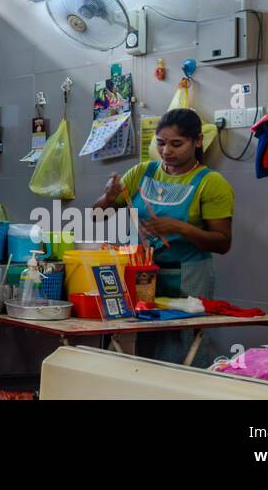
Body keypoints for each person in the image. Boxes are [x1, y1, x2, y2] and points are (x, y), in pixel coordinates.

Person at [93, 108, 234, 366]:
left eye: (176, 144)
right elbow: (95, 216)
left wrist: (181, 228)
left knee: (185, 352)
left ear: (198, 141)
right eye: (161, 143)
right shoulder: (142, 173)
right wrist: (108, 197)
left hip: (189, 279)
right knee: (149, 353)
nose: (167, 151)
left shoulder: (210, 183)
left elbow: (223, 242)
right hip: (144, 277)